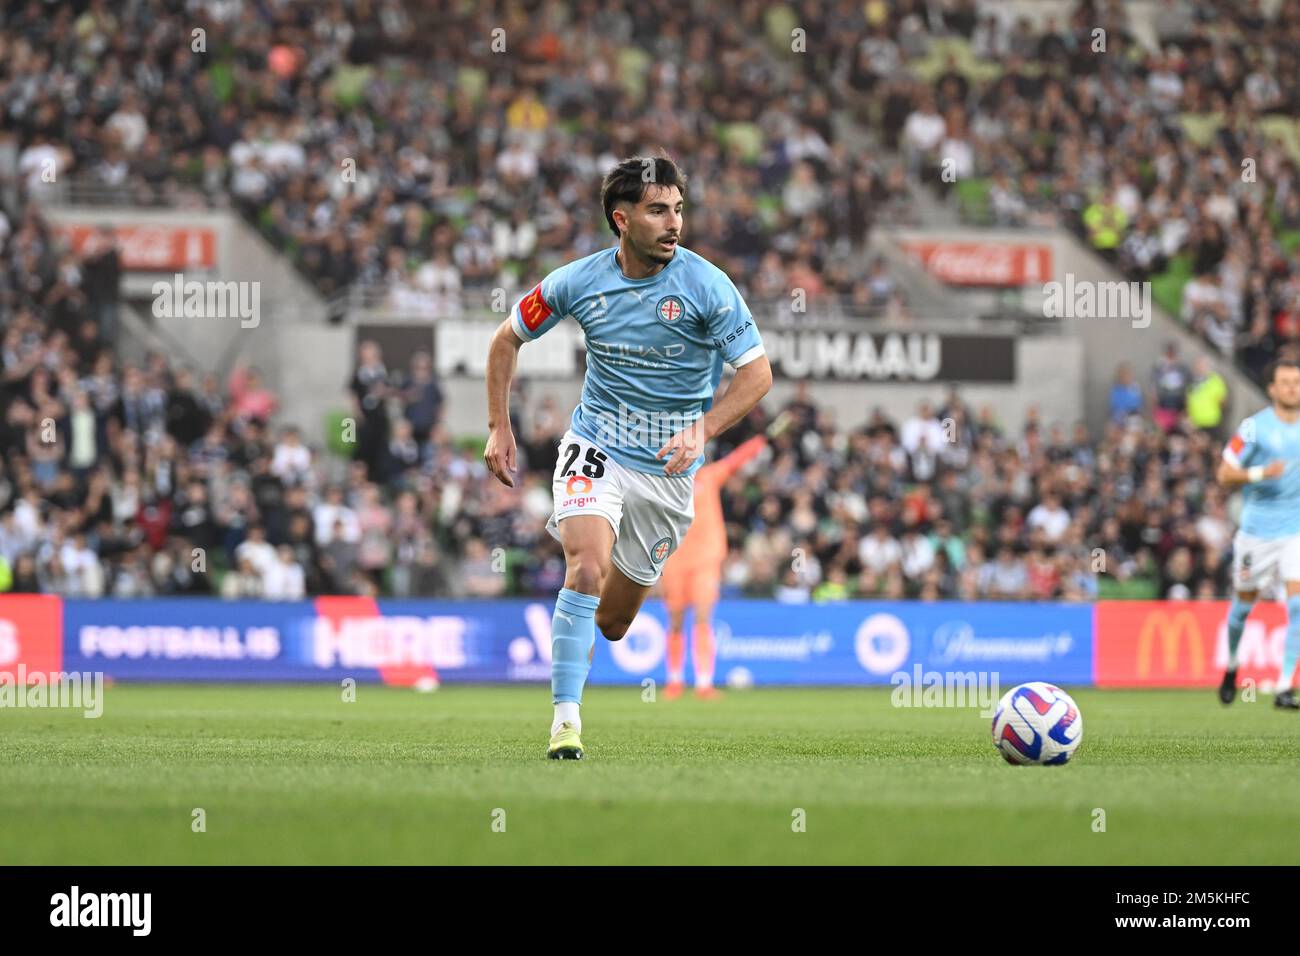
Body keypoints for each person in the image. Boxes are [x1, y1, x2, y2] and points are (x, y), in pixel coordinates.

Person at [483, 156, 772, 759]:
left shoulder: (708, 286)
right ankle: (566, 722)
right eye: (658, 210)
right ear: (622, 219)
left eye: (679, 209)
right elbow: (506, 338)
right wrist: (498, 429)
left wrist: (705, 427)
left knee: (613, 622)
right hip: (596, 445)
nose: (675, 223)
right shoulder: (578, 281)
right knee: (584, 567)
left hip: (668, 473)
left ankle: (587, 623)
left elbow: (757, 374)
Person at [660, 412, 791, 700]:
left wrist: (764, 439)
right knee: (677, 620)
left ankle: (704, 683)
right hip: (675, 558)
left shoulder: (709, 476)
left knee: (704, 619)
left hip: (706, 558)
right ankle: (674, 681)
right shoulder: (664, 481)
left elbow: (737, 460)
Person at [1217, 358, 1300, 709]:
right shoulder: (1254, 428)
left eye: (1297, 382)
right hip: (1256, 534)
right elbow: (1224, 475)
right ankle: (1232, 665)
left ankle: (1284, 687)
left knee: (1297, 604)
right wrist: (1261, 474)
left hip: (1294, 531)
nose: (1293, 388)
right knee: (1240, 611)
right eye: (1286, 382)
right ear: (1272, 389)